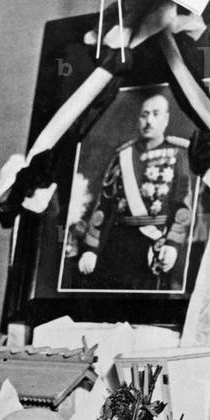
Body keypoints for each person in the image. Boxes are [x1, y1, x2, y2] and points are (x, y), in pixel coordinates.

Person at [76, 92, 193, 291]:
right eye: (144, 115)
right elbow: (102, 207)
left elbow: (182, 206)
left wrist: (173, 244)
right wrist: (90, 248)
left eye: (156, 114)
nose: (149, 121)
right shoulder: (122, 155)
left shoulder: (177, 154)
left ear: (166, 119)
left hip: (155, 243)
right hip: (117, 243)